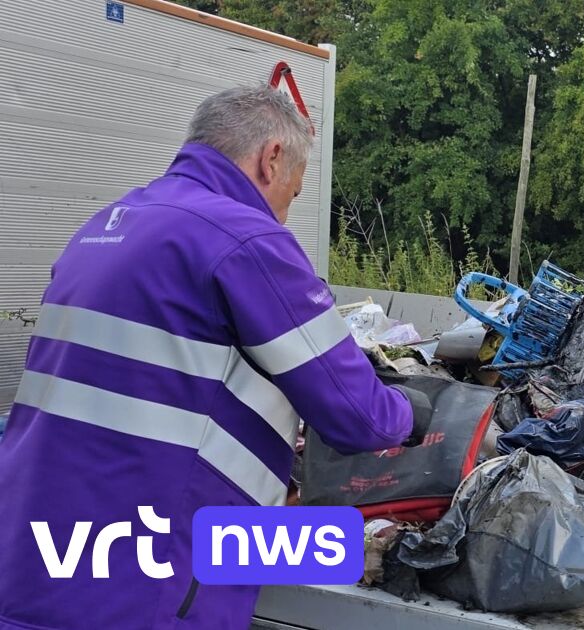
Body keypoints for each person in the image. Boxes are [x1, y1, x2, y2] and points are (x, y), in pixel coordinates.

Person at [0, 85, 417, 629]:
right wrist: (412, 410)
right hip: (142, 579)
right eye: (292, 193)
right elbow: (362, 419)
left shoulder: (105, 225)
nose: (286, 216)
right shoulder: (246, 238)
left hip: (33, 551)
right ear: (271, 158)